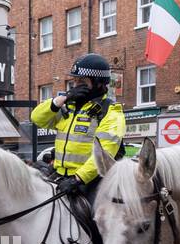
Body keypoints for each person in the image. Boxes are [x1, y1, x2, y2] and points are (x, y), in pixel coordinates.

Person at [29, 53, 126, 200]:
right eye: (75, 80)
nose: (76, 85)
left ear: (98, 82)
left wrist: (78, 179)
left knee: (97, 218)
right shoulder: (69, 106)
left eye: (82, 81)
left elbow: (104, 154)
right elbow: (36, 118)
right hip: (59, 176)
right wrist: (62, 99)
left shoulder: (111, 112)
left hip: (92, 181)